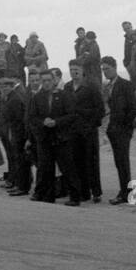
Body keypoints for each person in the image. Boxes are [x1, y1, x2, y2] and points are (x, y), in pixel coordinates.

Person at [28, 67, 80, 205]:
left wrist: (56, 122)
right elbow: (32, 117)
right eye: (43, 81)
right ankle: (47, 195)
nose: (46, 83)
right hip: (44, 138)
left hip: (61, 137)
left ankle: (75, 197)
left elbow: (72, 115)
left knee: (67, 168)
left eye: (48, 80)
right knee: (45, 168)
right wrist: (42, 122)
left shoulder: (64, 95)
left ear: (54, 81)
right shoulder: (37, 98)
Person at [64, 60, 104, 202]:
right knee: (77, 161)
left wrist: (90, 124)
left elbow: (100, 109)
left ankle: (96, 192)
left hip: (88, 130)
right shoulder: (67, 87)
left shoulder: (91, 86)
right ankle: (83, 191)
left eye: (76, 69)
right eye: (71, 69)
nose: (74, 72)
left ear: (82, 70)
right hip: (73, 131)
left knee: (92, 161)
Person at [101, 57, 136, 204]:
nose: (105, 72)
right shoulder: (109, 86)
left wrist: (125, 124)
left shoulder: (125, 85)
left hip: (122, 128)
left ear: (114, 67)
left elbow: (134, 107)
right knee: (119, 161)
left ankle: (126, 192)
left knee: (122, 161)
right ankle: (125, 190)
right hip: (113, 128)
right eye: (103, 69)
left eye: (107, 69)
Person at [0, 76, 31, 196]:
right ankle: (16, 182)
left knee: (19, 159)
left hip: (16, 132)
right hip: (9, 131)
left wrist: (14, 133)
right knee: (14, 158)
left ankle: (21, 185)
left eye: (6, 86)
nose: (3, 89)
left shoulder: (14, 99)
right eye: (1, 87)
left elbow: (18, 119)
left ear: (12, 87)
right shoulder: (6, 98)